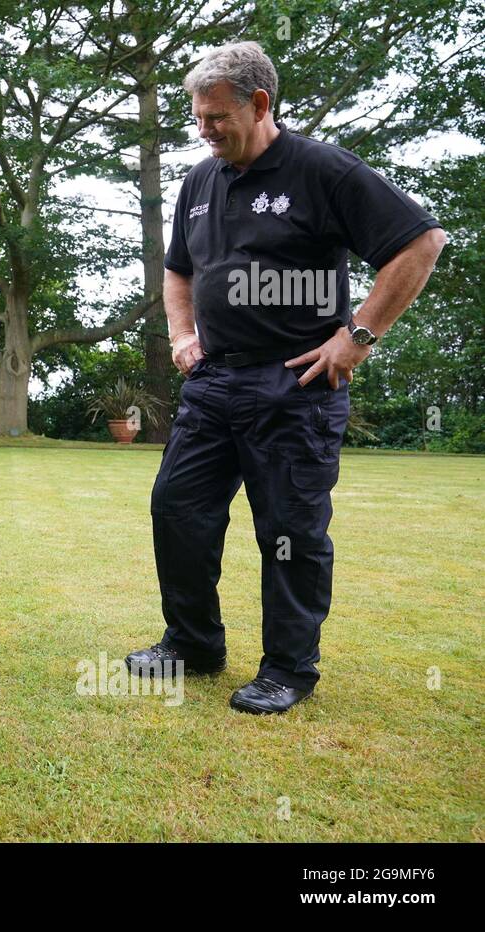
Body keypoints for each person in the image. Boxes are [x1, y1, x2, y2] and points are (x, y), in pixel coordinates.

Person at [125, 41, 446, 713]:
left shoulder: (322, 170)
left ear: (260, 103)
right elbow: (178, 268)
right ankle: (193, 644)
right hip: (215, 383)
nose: (203, 129)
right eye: (197, 116)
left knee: (290, 530)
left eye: (215, 116)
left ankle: (288, 670)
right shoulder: (200, 182)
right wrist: (183, 334)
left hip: (294, 387)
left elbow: (421, 242)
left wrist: (357, 337)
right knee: (176, 509)